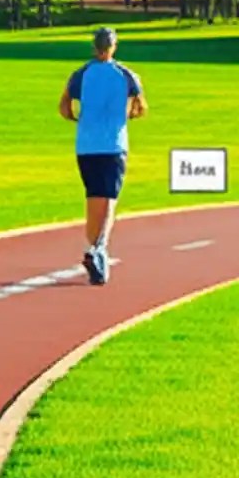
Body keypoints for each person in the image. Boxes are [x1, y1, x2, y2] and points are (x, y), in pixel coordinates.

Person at [59, 27, 147, 285]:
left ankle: (96, 251)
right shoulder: (126, 74)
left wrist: (80, 120)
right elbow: (141, 106)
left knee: (93, 198)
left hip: (86, 146)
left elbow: (64, 106)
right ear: (113, 46)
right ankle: (98, 249)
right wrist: (126, 115)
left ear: (93, 46)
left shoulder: (81, 74)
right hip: (113, 145)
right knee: (108, 201)